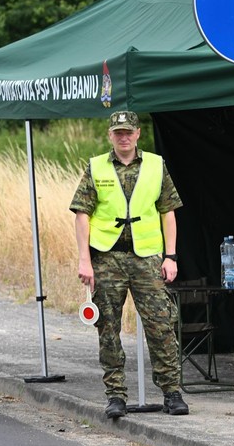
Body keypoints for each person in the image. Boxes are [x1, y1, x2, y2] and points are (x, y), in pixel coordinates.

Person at [70, 110, 189, 419]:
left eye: (128, 132)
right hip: (107, 256)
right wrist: (85, 259)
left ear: (138, 134)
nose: (123, 137)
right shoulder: (96, 167)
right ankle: (115, 394)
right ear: (110, 135)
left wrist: (171, 255)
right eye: (117, 132)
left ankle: (172, 392)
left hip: (147, 256)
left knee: (161, 325)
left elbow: (168, 211)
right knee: (107, 326)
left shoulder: (155, 164)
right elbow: (82, 214)